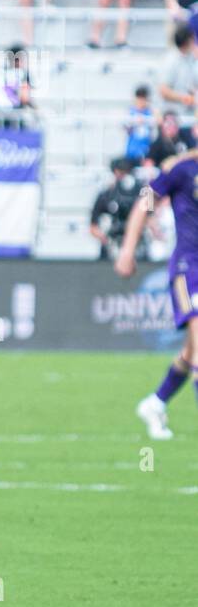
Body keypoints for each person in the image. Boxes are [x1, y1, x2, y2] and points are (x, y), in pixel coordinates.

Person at [113, 147, 198, 440]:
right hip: (191, 268)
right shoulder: (181, 170)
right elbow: (145, 202)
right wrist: (127, 248)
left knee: (191, 350)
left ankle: (156, 402)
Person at [93, 156, 145, 261]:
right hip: (112, 245)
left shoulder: (142, 193)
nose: (124, 177)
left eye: (127, 173)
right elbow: (93, 226)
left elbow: (151, 214)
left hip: (136, 245)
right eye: (121, 173)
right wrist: (106, 240)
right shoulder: (106, 195)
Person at [159, 27, 198, 112]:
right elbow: (163, 90)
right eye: (192, 40)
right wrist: (183, 98)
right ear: (186, 43)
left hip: (190, 112)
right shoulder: (170, 61)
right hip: (173, 114)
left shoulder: (192, 57)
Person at [124, 85, 154, 162]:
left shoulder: (150, 112)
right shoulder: (131, 112)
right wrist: (134, 122)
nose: (141, 102)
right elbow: (126, 129)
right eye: (139, 99)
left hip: (146, 150)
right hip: (132, 149)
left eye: (143, 99)